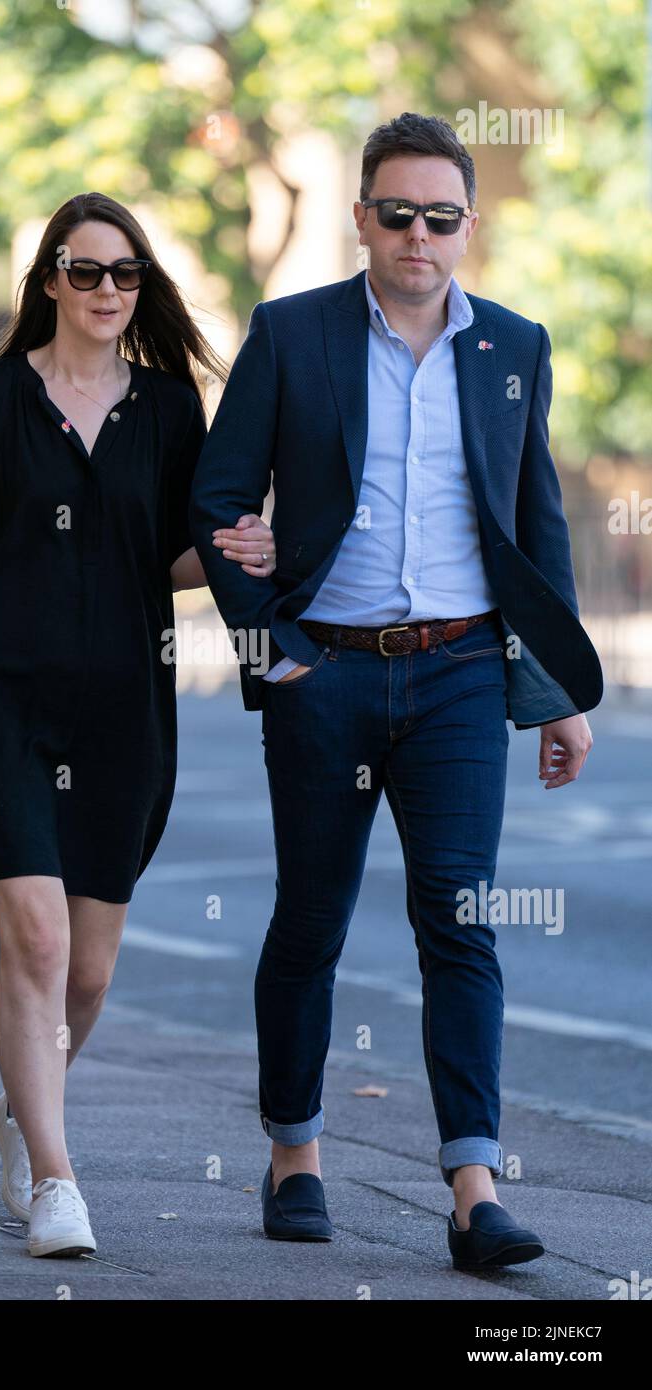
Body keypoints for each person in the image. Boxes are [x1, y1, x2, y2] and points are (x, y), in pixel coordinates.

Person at [189, 113, 603, 1268]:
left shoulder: (514, 346)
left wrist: (558, 688)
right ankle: (295, 1151)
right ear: (361, 217)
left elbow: (536, 525)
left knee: (461, 922)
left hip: (465, 671)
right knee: (311, 920)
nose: (419, 235)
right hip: (326, 668)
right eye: (397, 213)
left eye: (442, 216)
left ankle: (474, 1187)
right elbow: (218, 507)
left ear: (470, 226)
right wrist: (273, 654)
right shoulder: (292, 334)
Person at [0, 192, 277, 1259]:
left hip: (126, 719)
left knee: (88, 972)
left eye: (126, 274)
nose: (107, 291)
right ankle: (56, 1178)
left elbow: (171, 558)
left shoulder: (167, 408)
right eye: (85, 270)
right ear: (49, 280)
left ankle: (19, 1108)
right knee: (37, 940)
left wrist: (239, 549)